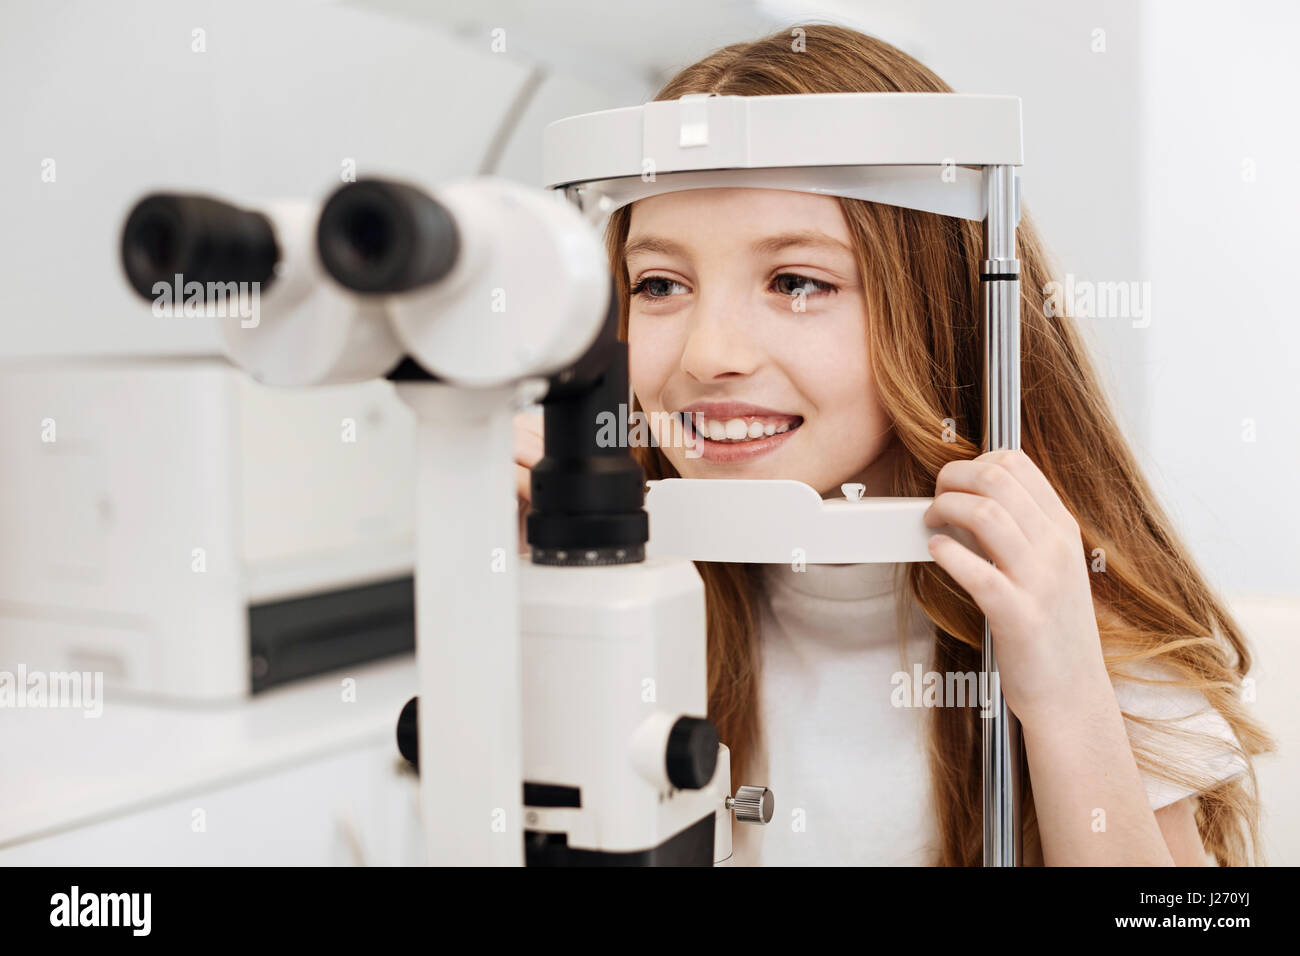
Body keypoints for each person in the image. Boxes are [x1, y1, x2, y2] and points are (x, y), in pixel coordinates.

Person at [515, 23, 1274, 866]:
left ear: (939, 308)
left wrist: (1064, 695)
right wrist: (524, 611)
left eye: (797, 282)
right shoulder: (619, 601)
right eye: (659, 284)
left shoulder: (1083, 621)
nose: (708, 354)